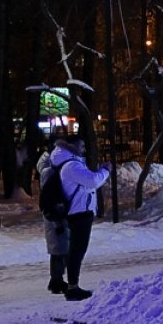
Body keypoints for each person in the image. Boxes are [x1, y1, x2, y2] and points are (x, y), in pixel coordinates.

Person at [49, 136, 111, 301]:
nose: (84, 149)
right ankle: (73, 287)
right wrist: (105, 170)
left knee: (76, 250)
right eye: (82, 146)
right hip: (79, 213)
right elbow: (93, 181)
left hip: (79, 211)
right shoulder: (72, 166)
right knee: (77, 250)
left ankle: (72, 286)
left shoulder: (70, 164)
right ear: (73, 147)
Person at [38, 127, 71, 295]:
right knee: (59, 250)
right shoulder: (49, 170)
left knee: (60, 248)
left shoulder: (48, 167)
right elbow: (52, 193)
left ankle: (57, 280)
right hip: (54, 214)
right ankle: (56, 281)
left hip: (54, 213)